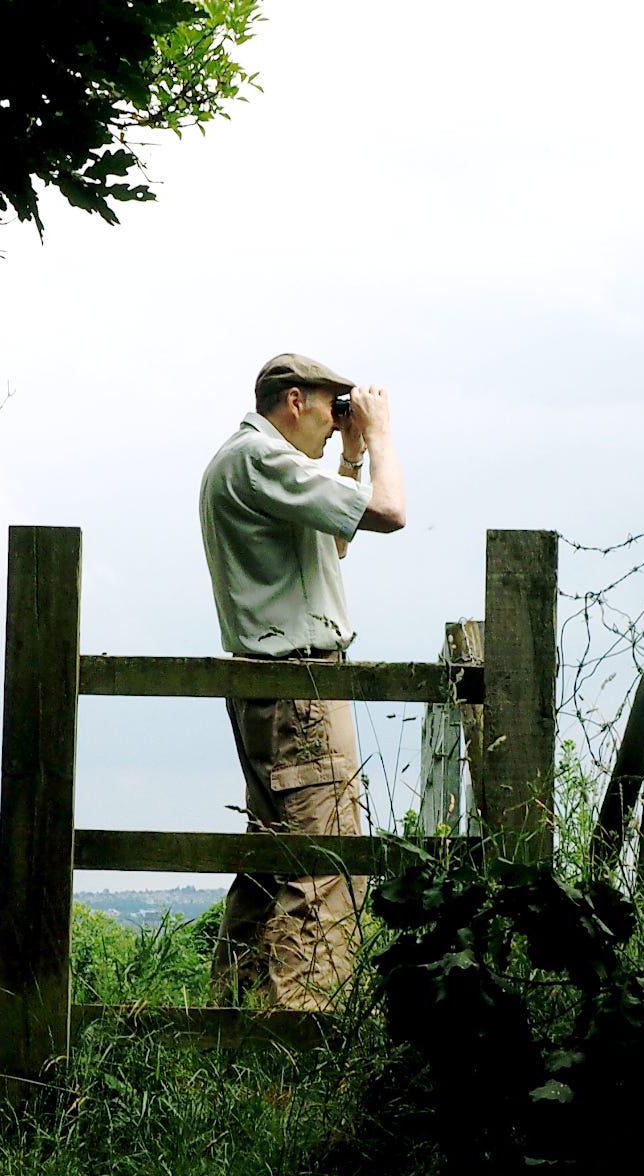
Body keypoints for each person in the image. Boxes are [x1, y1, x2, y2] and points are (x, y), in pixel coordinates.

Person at [198, 353, 407, 1010]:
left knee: (272, 868)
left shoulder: (255, 463)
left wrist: (346, 455)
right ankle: (298, 1050)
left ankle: (230, 1036)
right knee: (328, 869)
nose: (338, 417)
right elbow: (392, 511)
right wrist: (378, 435)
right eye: (332, 405)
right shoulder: (261, 460)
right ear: (295, 400)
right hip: (300, 692)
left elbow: (334, 543)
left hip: (279, 693)